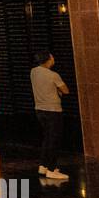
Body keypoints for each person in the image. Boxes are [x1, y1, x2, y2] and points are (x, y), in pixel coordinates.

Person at [30, 51, 70, 181]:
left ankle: (43, 165)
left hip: (39, 110)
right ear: (48, 60)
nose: (54, 59)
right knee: (54, 140)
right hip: (53, 110)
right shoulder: (53, 75)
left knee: (47, 138)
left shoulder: (33, 72)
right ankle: (52, 170)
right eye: (52, 57)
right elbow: (65, 90)